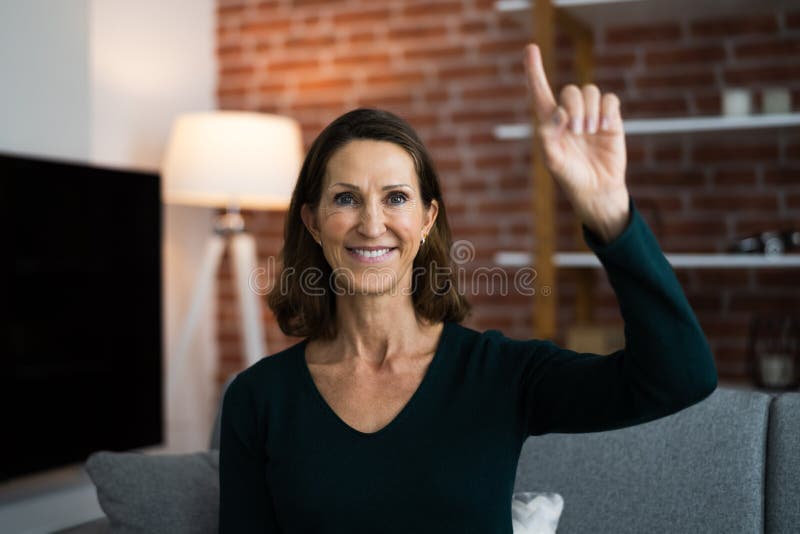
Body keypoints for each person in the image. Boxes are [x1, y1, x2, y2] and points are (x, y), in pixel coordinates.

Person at [218, 43, 718, 533]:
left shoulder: (501, 375)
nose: (372, 224)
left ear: (427, 219)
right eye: (346, 198)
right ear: (312, 221)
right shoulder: (259, 398)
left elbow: (681, 378)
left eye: (396, 198)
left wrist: (610, 214)